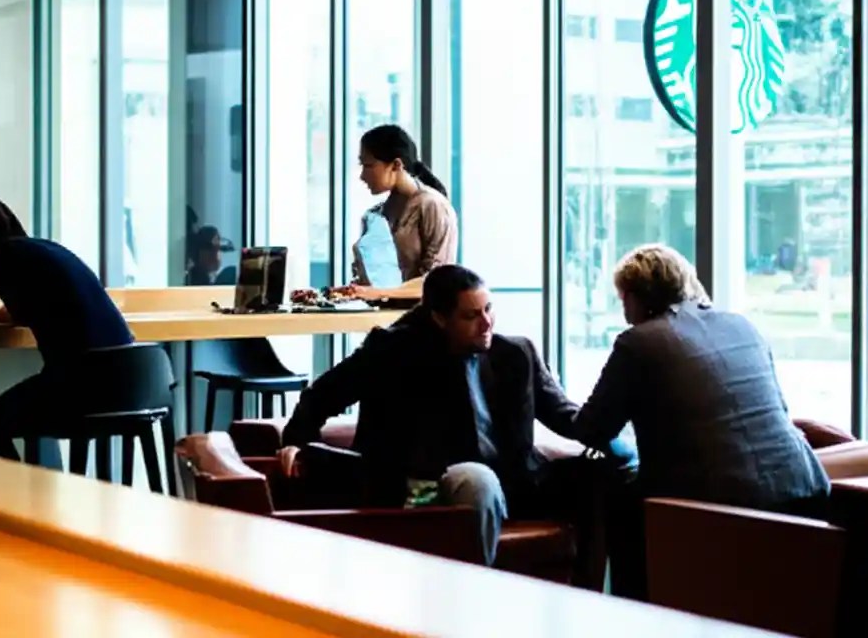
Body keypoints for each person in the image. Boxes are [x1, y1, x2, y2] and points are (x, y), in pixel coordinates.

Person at [280, 265, 630, 578]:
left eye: (489, 309)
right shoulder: (394, 353)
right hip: (433, 485)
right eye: (471, 315)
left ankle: (587, 601)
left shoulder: (515, 354)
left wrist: (611, 441)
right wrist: (296, 440)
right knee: (476, 479)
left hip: (516, 480)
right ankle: (474, 604)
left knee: (595, 476)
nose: (486, 323)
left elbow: (563, 414)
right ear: (439, 318)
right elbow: (323, 394)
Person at [569, 243, 830, 597]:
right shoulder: (742, 325)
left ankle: (636, 613)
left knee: (617, 494)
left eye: (622, 297)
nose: (622, 307)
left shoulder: (638, 343)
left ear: (634, 296)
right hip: (804, 490)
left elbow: (591, 428)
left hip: (712, 509)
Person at [0, 194, 138, 468]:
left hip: (82, 384)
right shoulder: (42, 250)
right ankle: (36, 500)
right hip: (134, 378)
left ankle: (10, 507)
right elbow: (14, 313)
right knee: (33, 407)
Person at [340, 125, 458, 302]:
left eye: (369, 166)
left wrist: (380, 293)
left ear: (396, 165)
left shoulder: (432, 205)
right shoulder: (379, 214)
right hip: (388, 317)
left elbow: (438, 281)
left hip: (425, 322)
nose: (363, 176)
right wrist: (356, 290)